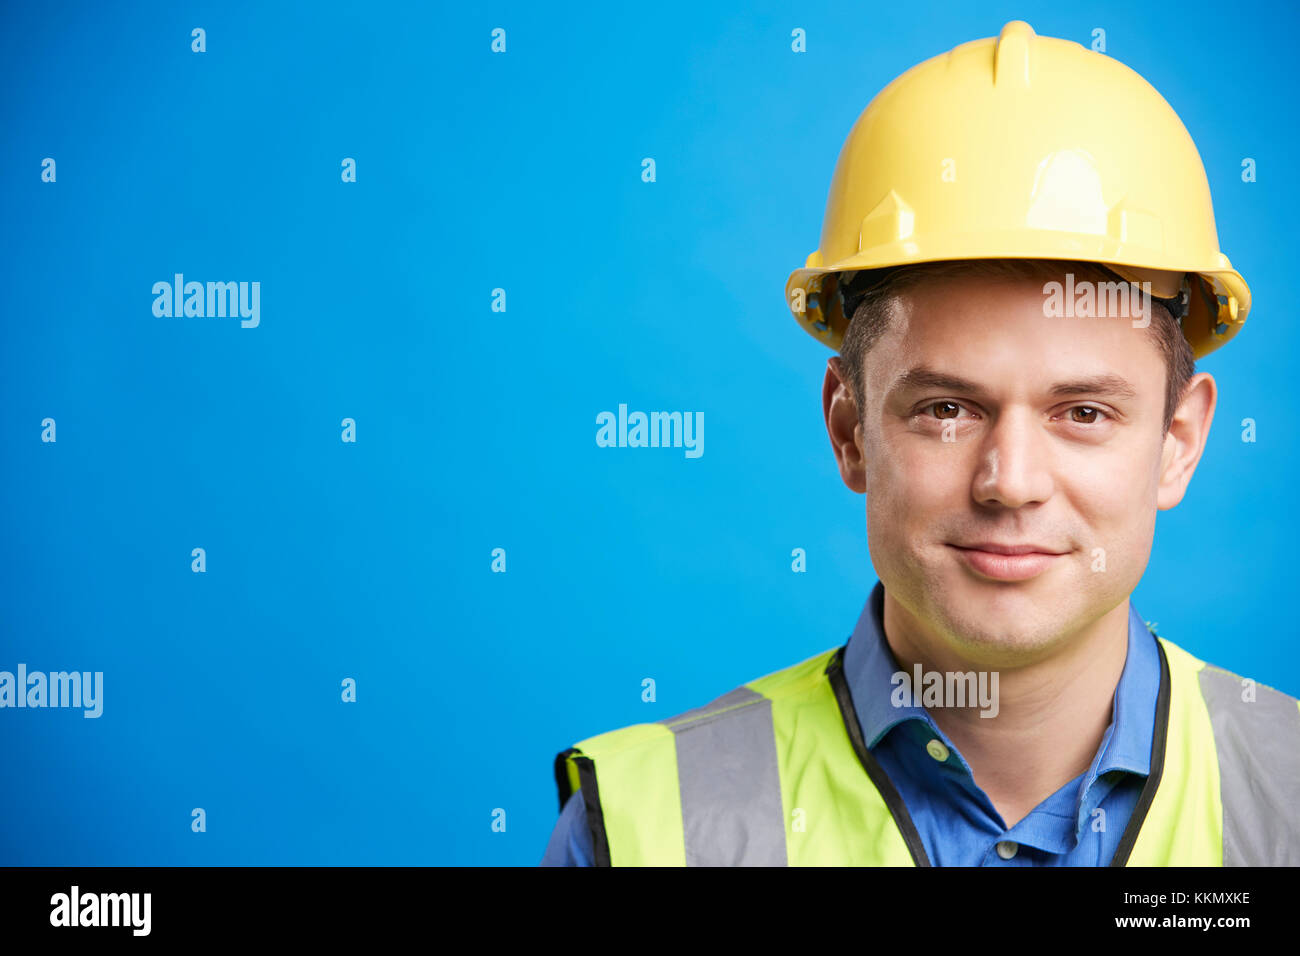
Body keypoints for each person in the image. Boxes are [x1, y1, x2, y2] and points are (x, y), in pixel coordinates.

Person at [541, 21, 1300, 866]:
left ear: (1178, 440)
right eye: (946, 409)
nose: (1010, 483)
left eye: (1083, 413)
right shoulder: (646, 830)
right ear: (849, 429)